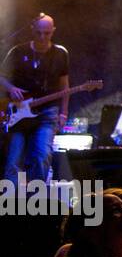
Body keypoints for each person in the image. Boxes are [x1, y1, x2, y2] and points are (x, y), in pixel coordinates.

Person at [2, 13, 70, 185]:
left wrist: (64, 112)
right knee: (13, 159)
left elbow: (65, 87)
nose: (42, 37)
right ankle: (12, 204)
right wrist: (12, 89)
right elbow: (1, 77)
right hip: (18, 111)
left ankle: (36, 202)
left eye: (46, 33)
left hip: (47, 112)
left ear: (53, 31)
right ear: (32, 29)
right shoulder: (18, 51)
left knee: (41, 155)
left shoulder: (60, 54)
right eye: (38, 32)